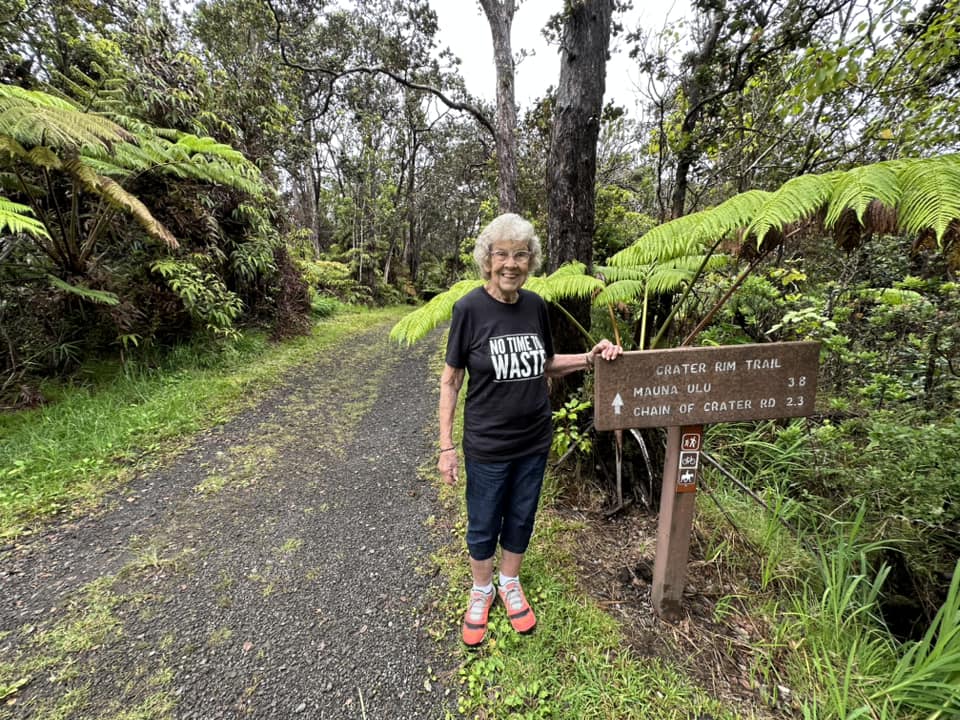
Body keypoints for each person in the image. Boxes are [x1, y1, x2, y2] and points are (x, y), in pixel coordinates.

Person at [437, 213, 623, 647]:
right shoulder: (468, 309)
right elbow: (451, 379)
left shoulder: (536, 305)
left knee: (522, 516)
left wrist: (590, 357)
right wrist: (446, 446)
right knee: (484, 522)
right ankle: (481, 591)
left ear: (530, 261)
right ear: (487, 260)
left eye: (520, 255)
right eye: (501, 254)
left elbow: (544, 364)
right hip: (486, 442)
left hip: (533, 439)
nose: (510, 263)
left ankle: (510, 581)